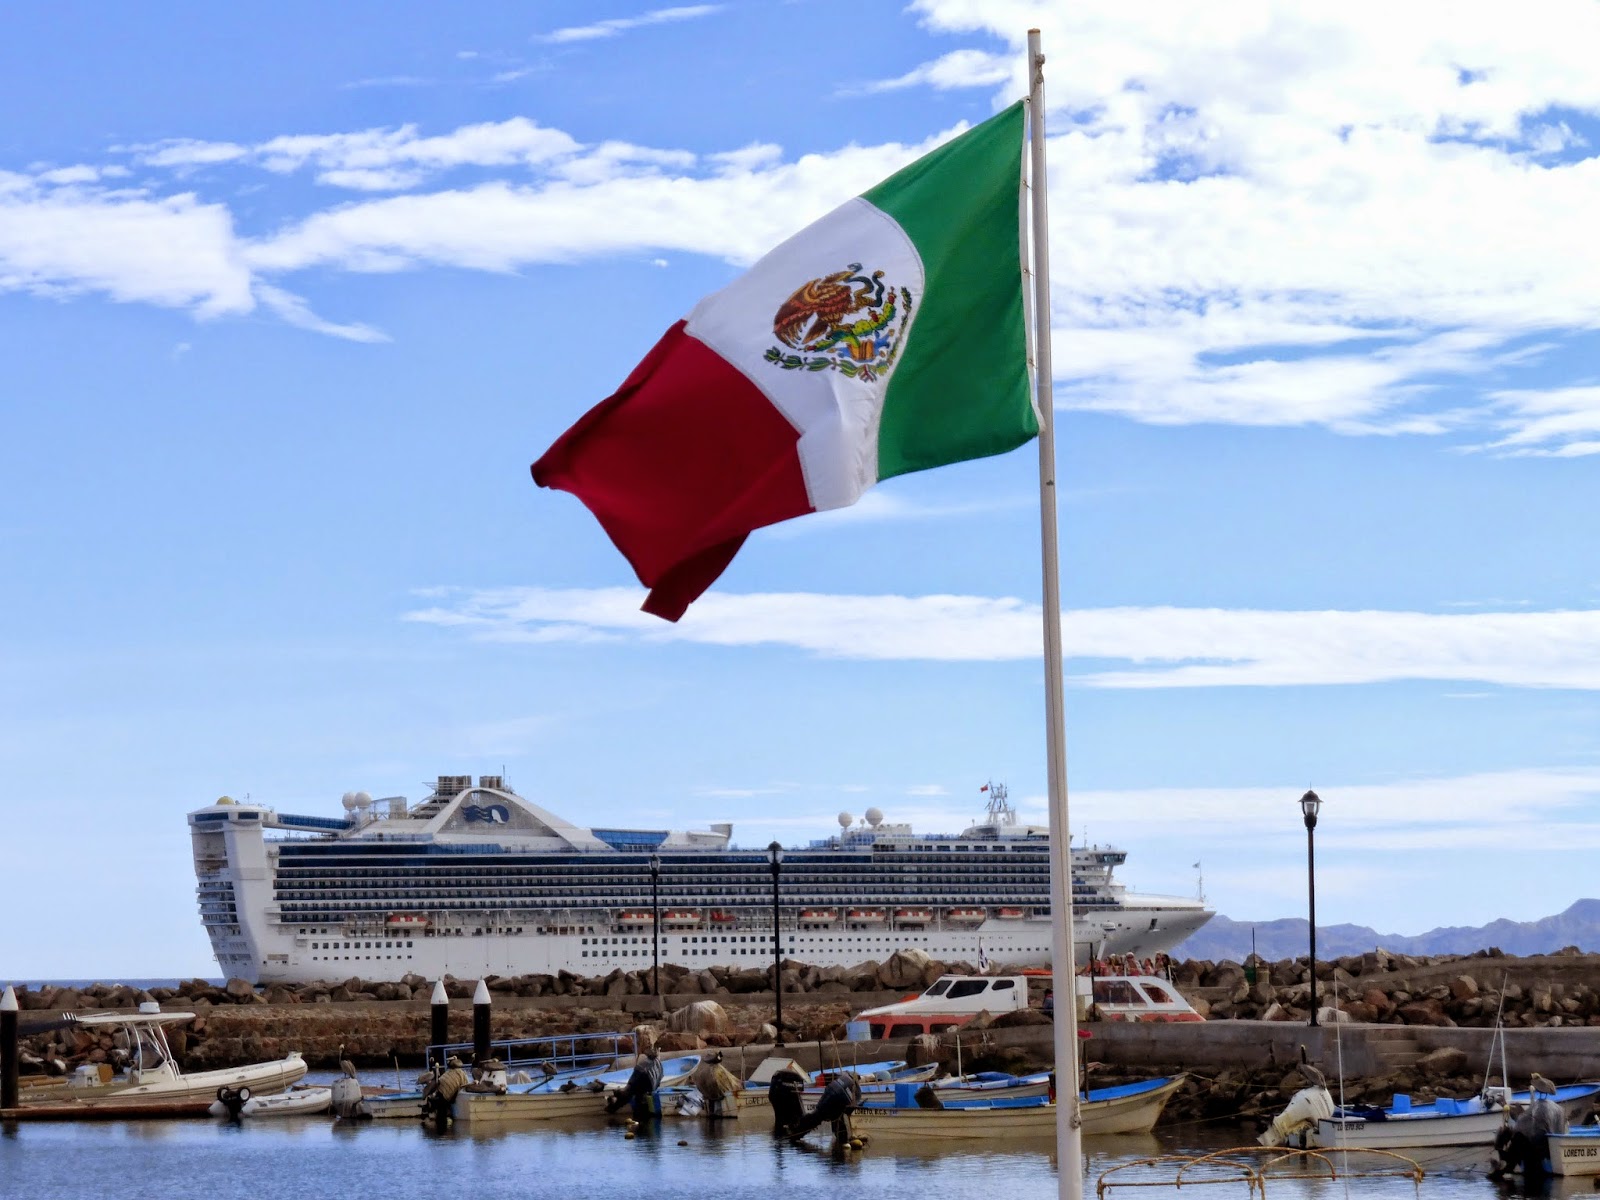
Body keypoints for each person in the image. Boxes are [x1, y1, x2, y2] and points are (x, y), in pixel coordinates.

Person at [788, 1070, 861, 1146]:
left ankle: (796, 1132)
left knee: (818, 1116)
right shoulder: (853, 1087)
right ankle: (842, 1141)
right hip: (837, 1099)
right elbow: (851, 1105)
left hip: (830, 1094)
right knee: (829, 1118)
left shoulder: (845, 1078)